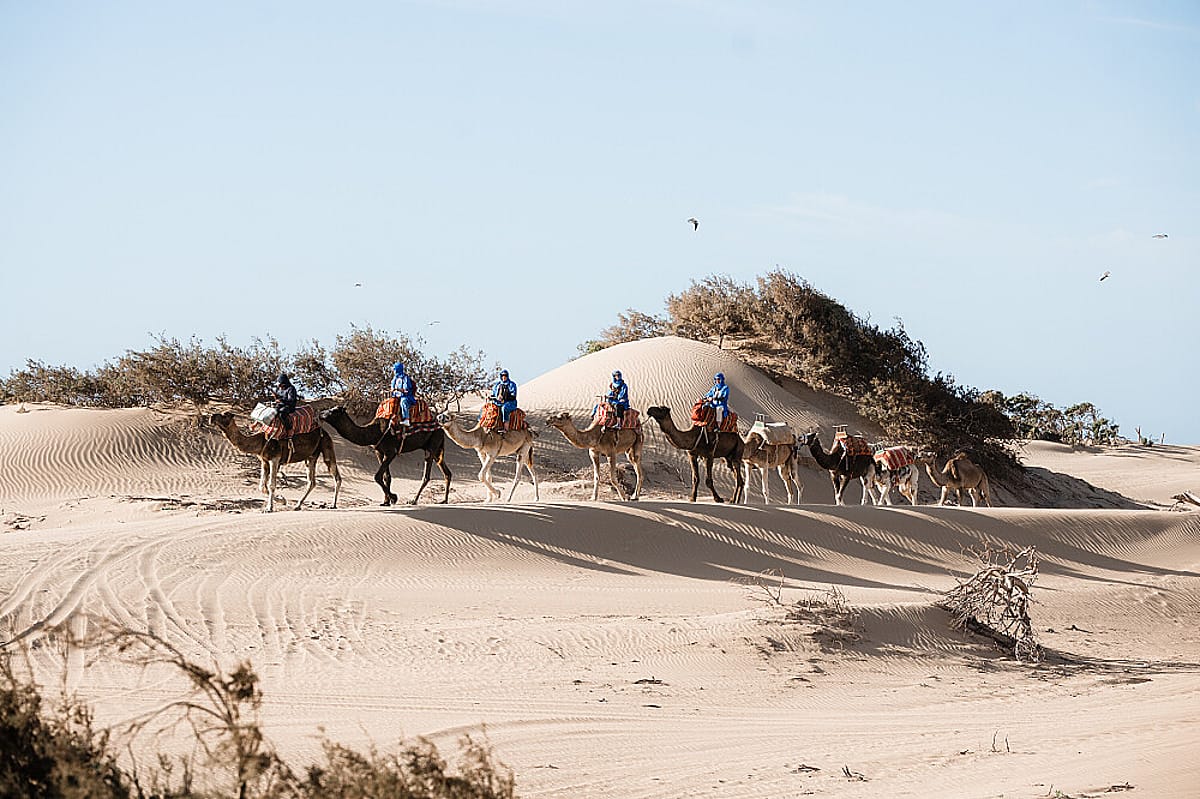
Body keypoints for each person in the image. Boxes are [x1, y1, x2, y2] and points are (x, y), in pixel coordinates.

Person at [490, 368, 518, 434]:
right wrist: (492, 397)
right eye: (502, 376)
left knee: (504, 408)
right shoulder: (497, 385)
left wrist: (504, 398)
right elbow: (493, 394)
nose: (503, 377)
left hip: (510, 402)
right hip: (498, 402)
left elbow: (513, 396)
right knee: (488, 408)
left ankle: (506, 428)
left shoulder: (512, 384)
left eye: (505, 376)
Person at [390, 362, 417, 426]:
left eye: (394, 369)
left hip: (406, 396)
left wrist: (398, 390)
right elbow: (392, 387)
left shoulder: (405, 378)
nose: (394, 371)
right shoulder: (395, 378)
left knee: (403, 402)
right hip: (396, 396)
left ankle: (406, 419)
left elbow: (406, 389)